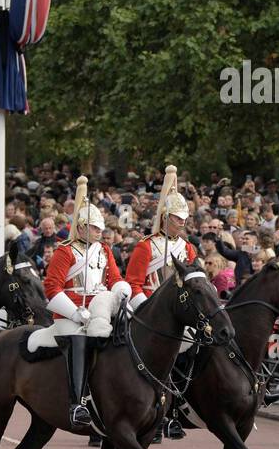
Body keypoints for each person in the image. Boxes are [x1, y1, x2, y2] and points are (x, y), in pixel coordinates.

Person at [30, 176, 130, 428]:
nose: (100, 233)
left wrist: (121, 292)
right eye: (95, 228)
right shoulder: (65, 251)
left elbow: (115, 279)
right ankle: (77, 404)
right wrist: (75, 313)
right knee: (79, 342)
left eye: (101, 229)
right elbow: (52, 288)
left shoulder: (105, 251)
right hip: (70, 314)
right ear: (83, 228)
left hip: (100, 310)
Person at [123, 165, 196, 309]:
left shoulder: (186, 247)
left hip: (180, 308)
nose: (183, 221)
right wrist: (147, 308)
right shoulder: (146, 245)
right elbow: (134, 284)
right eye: (178, 217)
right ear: (165, 217)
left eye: (184, 218)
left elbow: (193, 279)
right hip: (151, 305)